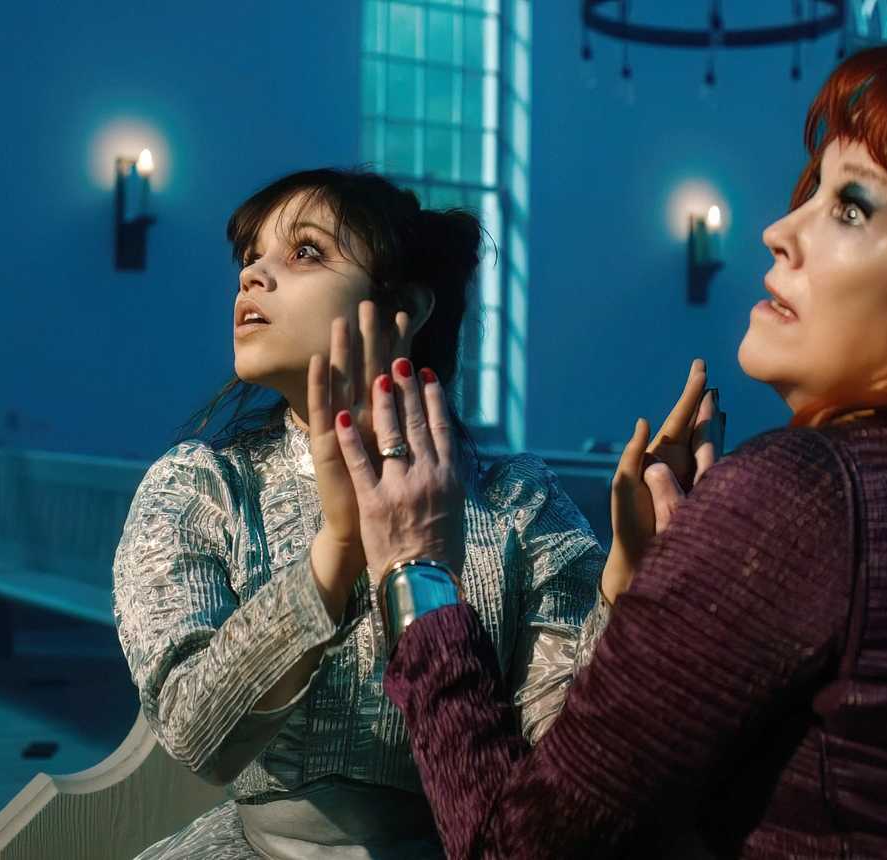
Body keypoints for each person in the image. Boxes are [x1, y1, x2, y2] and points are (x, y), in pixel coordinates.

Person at [334, 47, 887, 857]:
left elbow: (511, 849)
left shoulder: (809, 494)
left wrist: (417, 572)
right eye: (813, 193)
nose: (777, 231)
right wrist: (689, 599)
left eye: (852, 207)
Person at [111, 168, 608, 859]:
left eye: (305, 252)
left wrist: (627, 593)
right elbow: (197, 735)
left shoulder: (516, 503)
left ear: (404, 307)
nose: (252, 275)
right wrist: (338, 550)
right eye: (250, 256)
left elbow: (563, 767)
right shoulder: (203, 486)